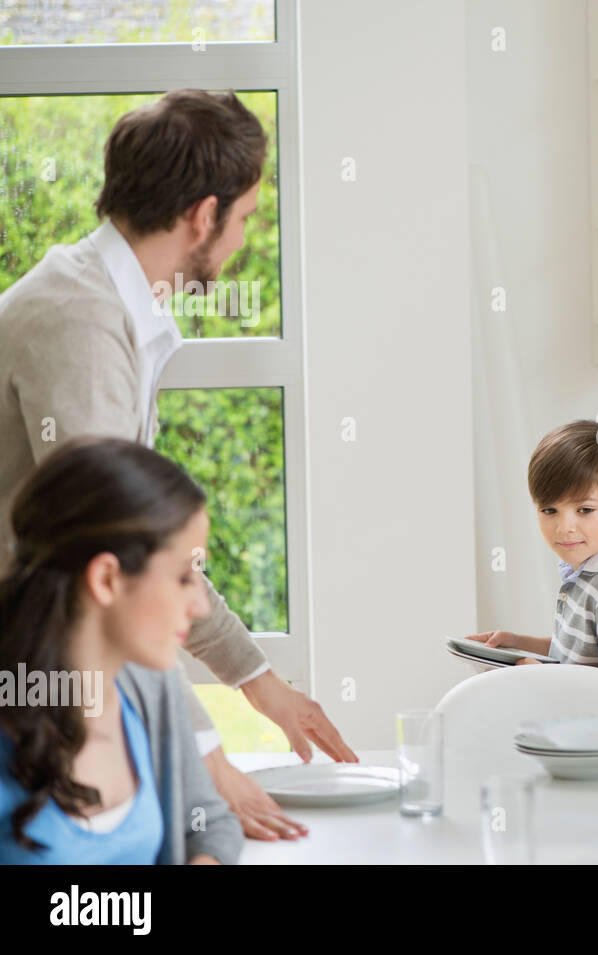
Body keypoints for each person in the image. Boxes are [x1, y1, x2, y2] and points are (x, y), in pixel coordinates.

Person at [0, 88, 356, 841]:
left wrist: (259, 682)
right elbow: (118, 567)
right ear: (204, 214)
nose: (244, 240)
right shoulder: (81, 321)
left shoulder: (110, 309)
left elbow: (152, 553)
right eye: (248, 217)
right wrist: (202, 756)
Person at [0, 438, 244, 864]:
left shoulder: (150, 687)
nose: (201, 606)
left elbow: (205, 820)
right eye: (185, 577)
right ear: (107, 579)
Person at [466, 420, 598, 689]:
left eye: (584, 510)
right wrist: (517, 644)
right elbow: (581, 656)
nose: (564, 528)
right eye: (549, 510)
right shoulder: (593, 573)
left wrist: (544, 677)